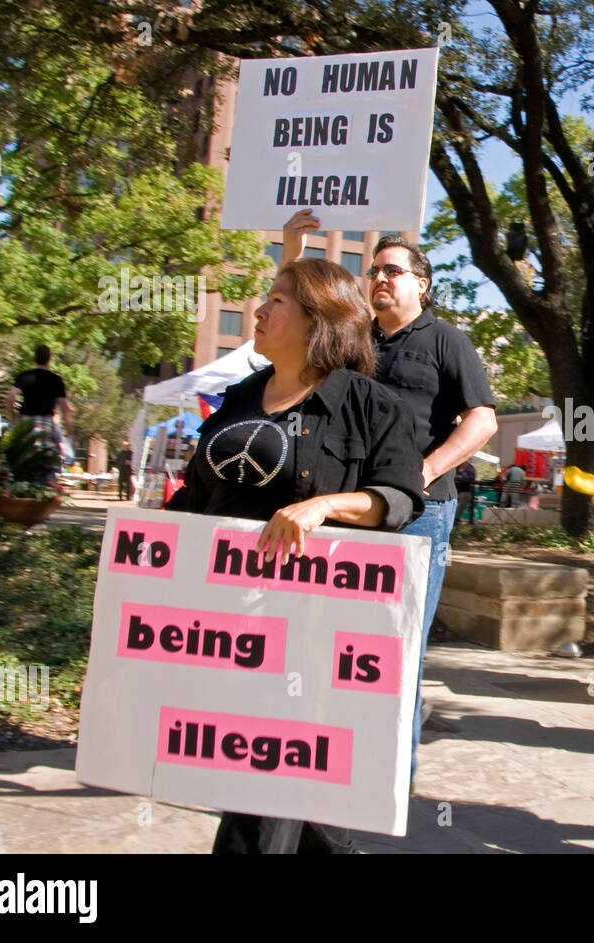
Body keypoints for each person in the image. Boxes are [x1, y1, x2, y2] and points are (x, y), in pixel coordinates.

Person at [167, 258, 425, 853]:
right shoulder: (237, 399)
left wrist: (324, 507)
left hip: (311, 630)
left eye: (276, 301)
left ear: (318, 319)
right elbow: (197, 495)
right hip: (223, 622)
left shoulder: (369, 405)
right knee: (314, 807)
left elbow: (399, 499)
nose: (259, 310)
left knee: (264, 784)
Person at [280, 211, 497, 777]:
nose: (378, 278)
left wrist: (425, 469)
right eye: (373, 270)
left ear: (420, 283)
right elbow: (290, 329)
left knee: (397, 648)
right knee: (336, 642)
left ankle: (387, 780)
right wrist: (292, 248)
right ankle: (329, 764)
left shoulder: (447, 340)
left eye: (391, 270)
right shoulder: (356, 339)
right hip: (352, 511)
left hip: (423, 514)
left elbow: (482, 420)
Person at [6, 344, 73, 483]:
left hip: (25, 423)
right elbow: (64, 407)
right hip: (45, 424)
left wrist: (12, 416)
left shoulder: (25, 376)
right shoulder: (56, 380)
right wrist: (70, 429)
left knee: (23, 458)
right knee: (45, 461)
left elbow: (10, 397)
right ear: (49, 359)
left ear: (34, 358)